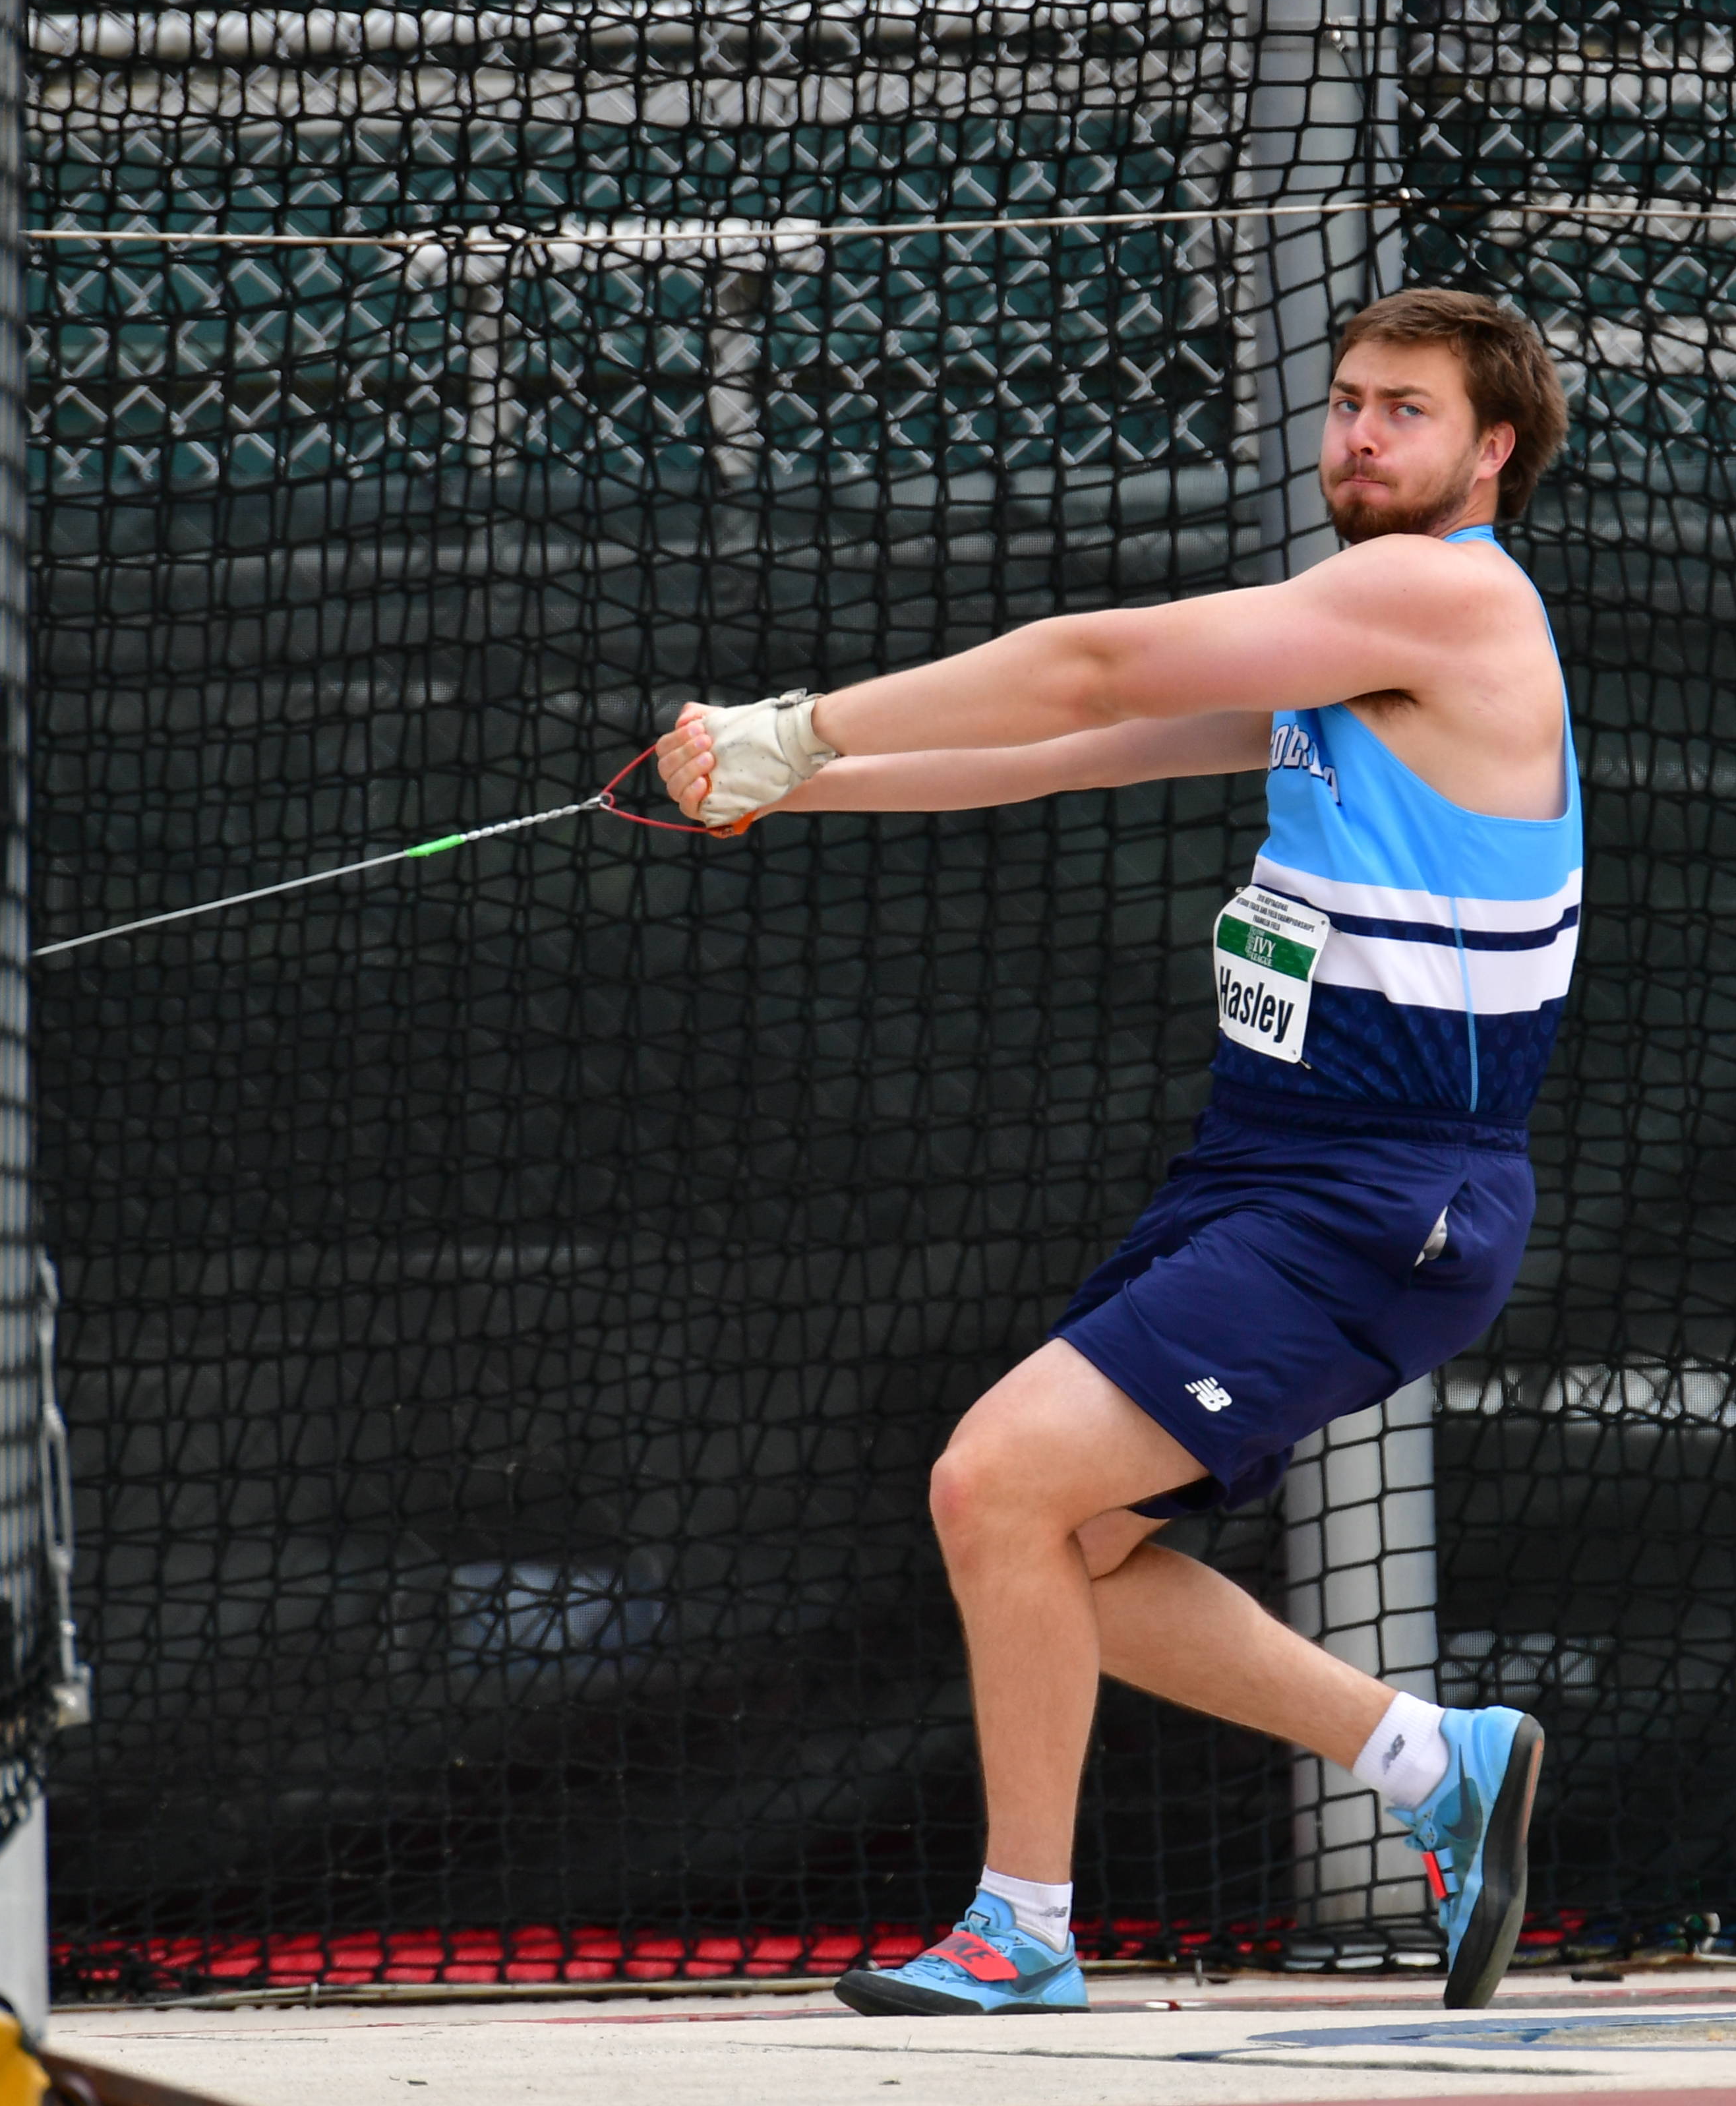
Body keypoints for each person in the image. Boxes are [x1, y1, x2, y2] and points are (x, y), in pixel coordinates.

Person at [651, 289, 1582, 2017]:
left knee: (990, 1482)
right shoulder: (1351, 654)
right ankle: (1430, 1762)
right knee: (1063, 1544)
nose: (1361, 436)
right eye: (1349, 401)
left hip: (1386, 1187)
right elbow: (1073, 748)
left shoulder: (1440, 598)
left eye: (1407, 413)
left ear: (1493, 451)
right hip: (1271, 1166)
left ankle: (1022, 1930)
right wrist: (782, 792)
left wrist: (805, 724)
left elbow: (1087, 658)